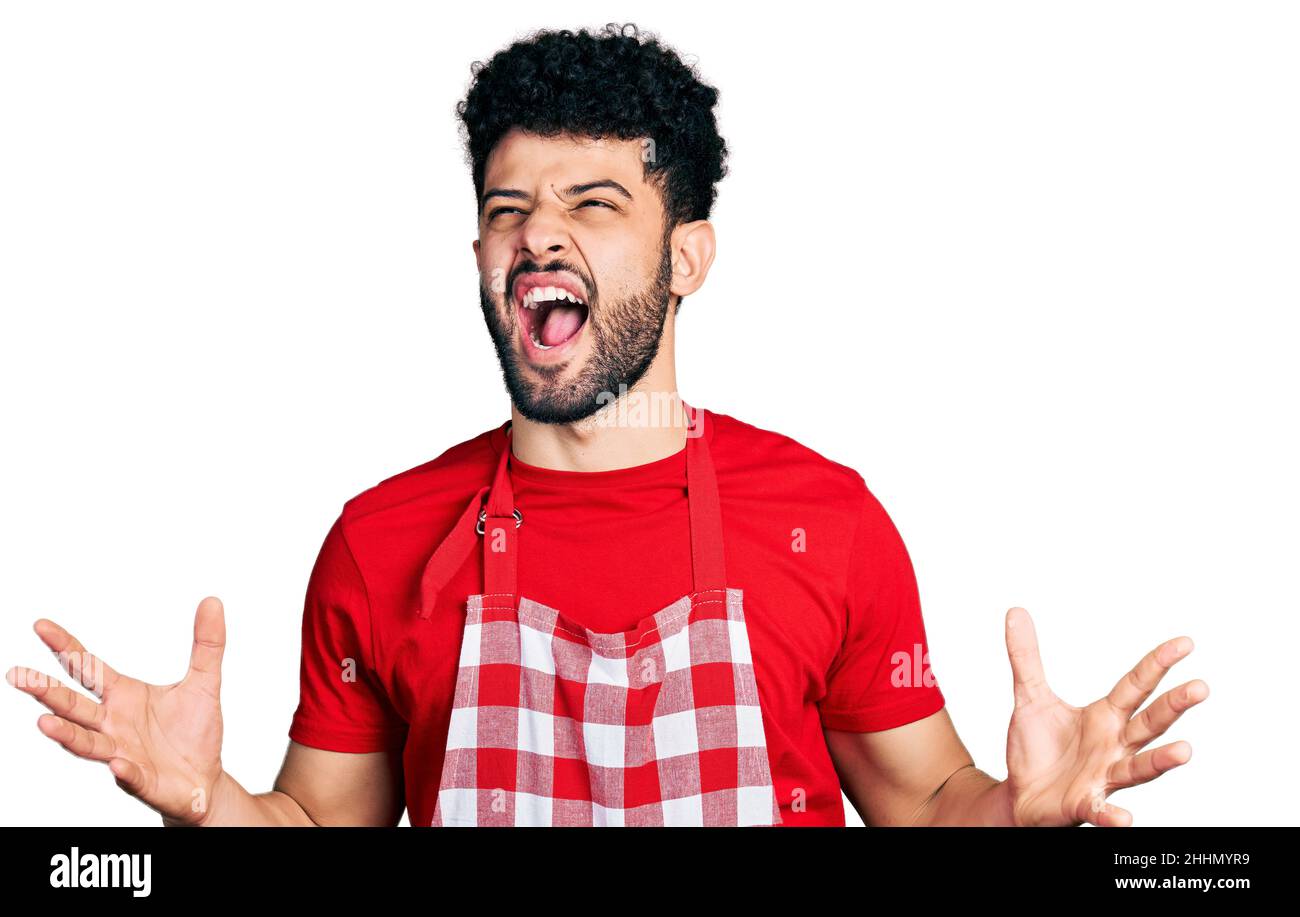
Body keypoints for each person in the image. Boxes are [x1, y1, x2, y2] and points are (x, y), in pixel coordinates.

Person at [6, 22, 1207, 827]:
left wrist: (1018, 807)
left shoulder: (824, 520)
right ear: (481, 252)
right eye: (508, 207)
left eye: (593, 202)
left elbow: (933, 799)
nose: (538, 234)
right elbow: (321, 826)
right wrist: (210, 801)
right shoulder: (383, 538)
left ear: (686, 256)